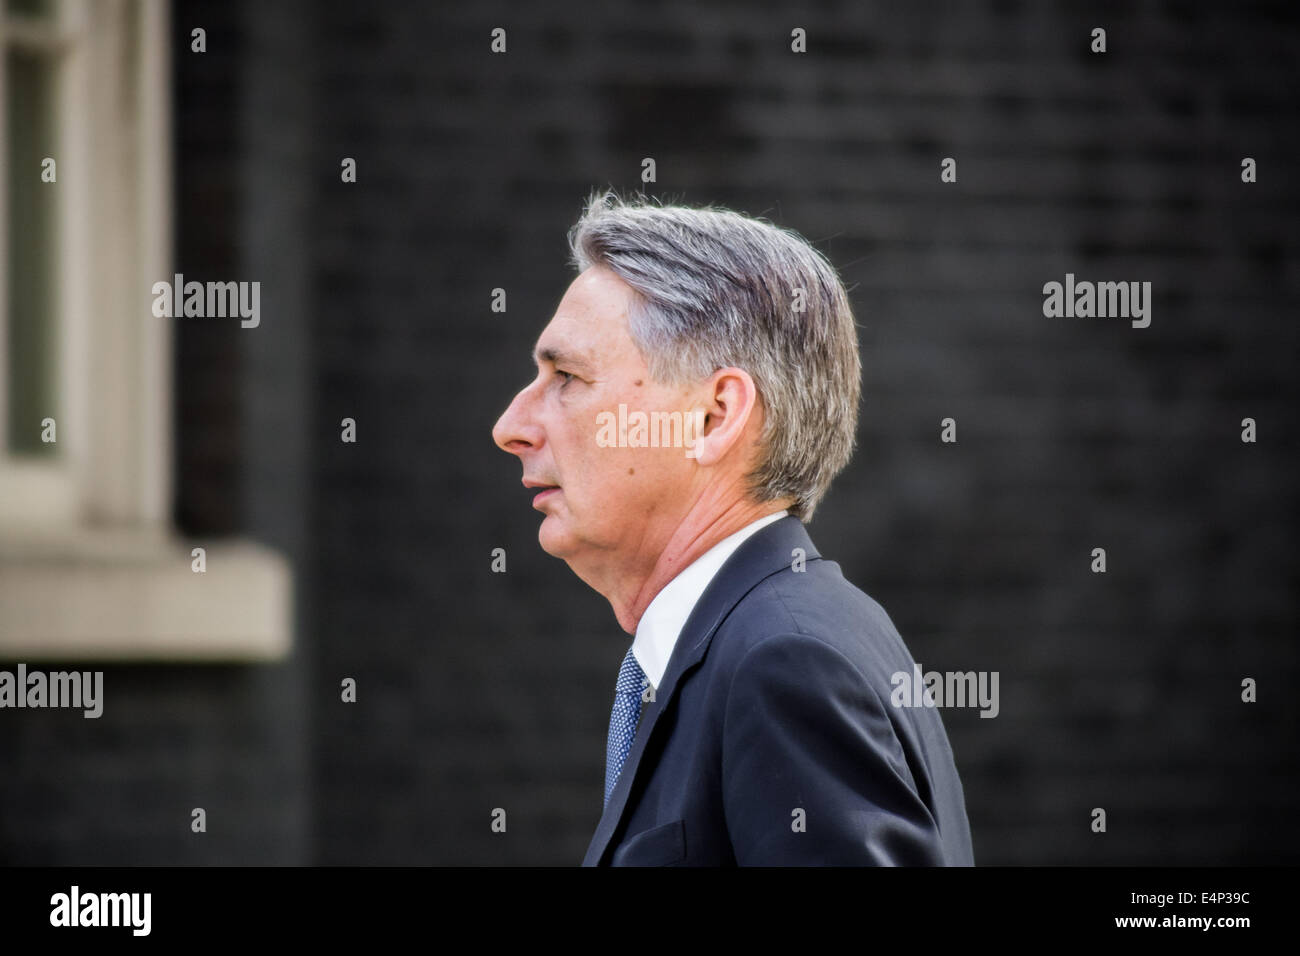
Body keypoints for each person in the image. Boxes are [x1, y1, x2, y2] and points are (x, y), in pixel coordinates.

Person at [492, 190, 974, 865]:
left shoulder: (784, 661)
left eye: (567, 377)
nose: (511, 427)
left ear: (714, 417)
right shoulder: (772, 640)